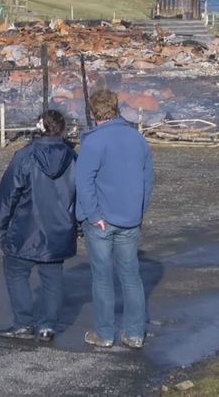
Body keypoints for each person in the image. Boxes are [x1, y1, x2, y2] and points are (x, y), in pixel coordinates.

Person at [0, 109, 77, 342]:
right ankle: (47, 326)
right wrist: (77, 225)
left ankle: (23, 323)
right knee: (52, 279)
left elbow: (8, 194)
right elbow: (81, 194)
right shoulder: (72, 157)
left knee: (16, 273)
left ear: (38, 128)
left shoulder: (24, 156)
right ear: (62, 129)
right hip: (59, 230)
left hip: (24, 229)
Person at [76, 89, 153, 349]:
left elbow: (83, 182)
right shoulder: (137, 139)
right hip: (129, 218)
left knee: (102, 278)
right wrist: (139, 210)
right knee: (131, 276)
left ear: (93, 112)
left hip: (101, 221)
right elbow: (147, 181)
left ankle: (105, 334)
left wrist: (93, 215)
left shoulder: (93, 142)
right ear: (116, 107)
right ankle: (134, 334)